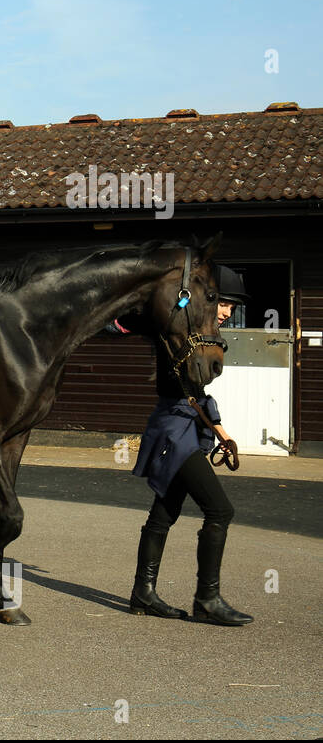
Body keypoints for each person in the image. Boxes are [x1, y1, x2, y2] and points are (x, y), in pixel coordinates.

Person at [106, 264, 253, 626]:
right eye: (225, 304)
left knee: (165, 512)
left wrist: (218, 428)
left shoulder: (200, 333)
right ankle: (207, 599)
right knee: (220, 510)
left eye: (232, 308)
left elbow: (197, 392)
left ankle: (143, 593)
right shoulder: (173, 323)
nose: (227, 312)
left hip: (184, 423)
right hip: (173, 430)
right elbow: (125, 322)